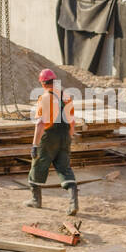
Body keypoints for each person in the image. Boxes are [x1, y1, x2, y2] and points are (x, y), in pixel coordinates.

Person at [25, 68, 78, 215]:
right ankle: (73, 203)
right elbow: (72, 122)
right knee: (65, 169)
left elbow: (40, 123)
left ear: (42, 83)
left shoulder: (45, 98)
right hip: (65, 136)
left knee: (37, 166)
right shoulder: (66, 96)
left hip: (49, 137)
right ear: (54, 81)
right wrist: (69, 139)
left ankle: (36, 200)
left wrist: (35, 145)